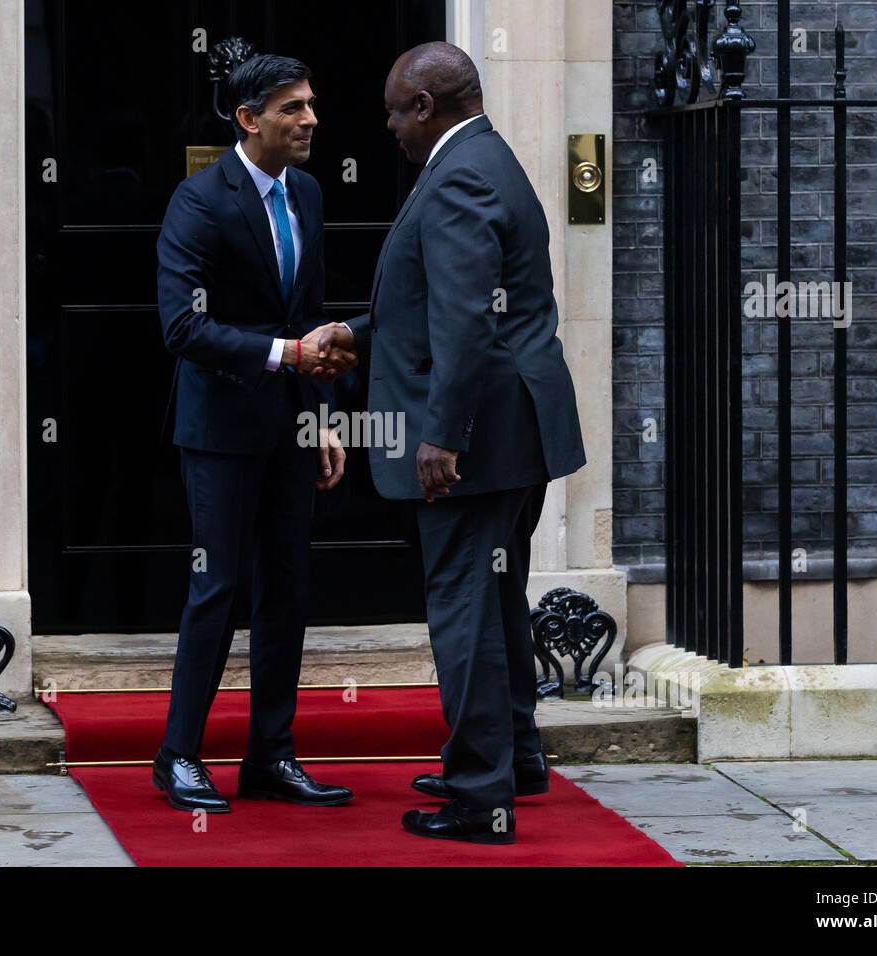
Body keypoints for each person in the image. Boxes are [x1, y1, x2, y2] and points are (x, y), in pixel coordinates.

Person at [317, 41, 587, 844]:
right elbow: (440, 306)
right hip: (517, 432)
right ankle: (516, 758)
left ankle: (479, 795)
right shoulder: (489, 158)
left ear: (424, 107)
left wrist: (441, 436)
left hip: (478, 440)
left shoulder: (458, 174)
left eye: (395, 113)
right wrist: (358, 335)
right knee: (499, 594)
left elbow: (467, 321)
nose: (390, 129)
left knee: (463, 607)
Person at [154, 53, 357, 813]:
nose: (309, 119)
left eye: (310, 104)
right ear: (247, 119)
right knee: (218, 587)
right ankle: (177, 755)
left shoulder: (306, 191)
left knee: (288, 591)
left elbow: (309, 312)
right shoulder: (199, 202)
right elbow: (182, 327)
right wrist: (284, 355)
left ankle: (271, 755)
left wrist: (324, 416)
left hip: (290, 427)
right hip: (218, 431)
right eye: (292, 108)